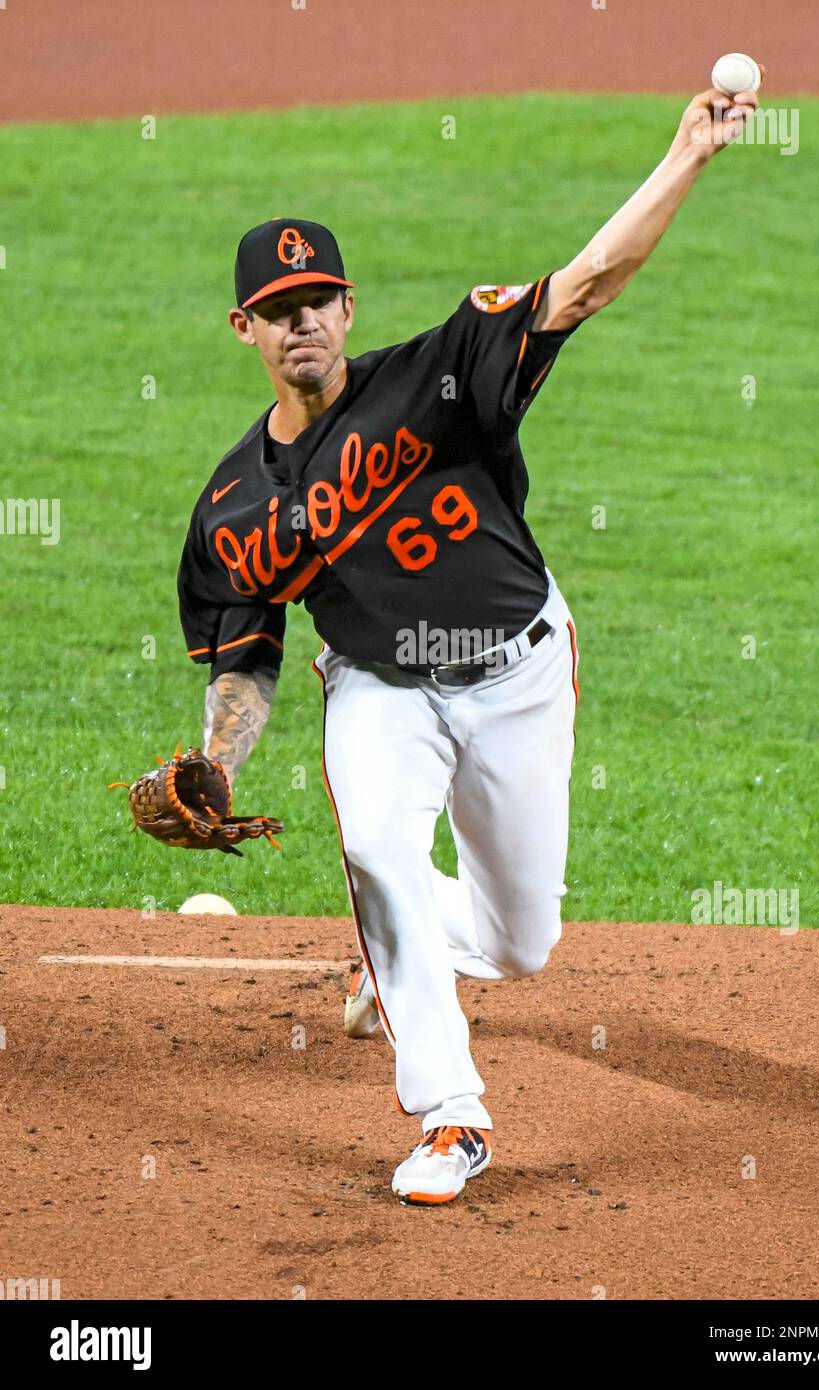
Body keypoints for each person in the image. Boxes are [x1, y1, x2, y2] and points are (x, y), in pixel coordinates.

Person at [178, 83, 760, 1205]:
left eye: (319, 300)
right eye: (276, 306)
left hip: (519, 673)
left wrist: (688, 152)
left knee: (521, 943)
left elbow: (584, 283)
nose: (302, 321)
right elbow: (243, 654)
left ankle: (400, 953)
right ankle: (452, 1117)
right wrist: (222, 759)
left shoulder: (442, 373)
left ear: (347, 310)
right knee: (379, 854)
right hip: (377, 689)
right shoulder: (229, 507)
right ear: (244, 327)